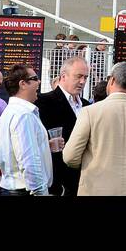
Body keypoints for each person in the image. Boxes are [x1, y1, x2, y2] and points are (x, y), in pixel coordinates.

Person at [62, 62, 126, 196]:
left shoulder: (90, 112)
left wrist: (89, 166)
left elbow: (70, 156)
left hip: (94, 189)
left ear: (112, 80)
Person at [0, 65, 55, 195]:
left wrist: (45, 145)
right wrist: (41, 192)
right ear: (22, 84)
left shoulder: (11, 111)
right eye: (35, 78)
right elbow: (29, 161)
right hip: (23, 191)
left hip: (11, 188)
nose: (39, 82)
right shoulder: (23, 115)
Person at [36, 56, 89, 196]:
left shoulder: (88, 106)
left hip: (84, 178)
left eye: (86, 77)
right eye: (78, 76)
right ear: (63, 76)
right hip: (57, 180)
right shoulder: (43, 102)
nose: (82, 81)